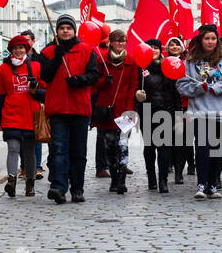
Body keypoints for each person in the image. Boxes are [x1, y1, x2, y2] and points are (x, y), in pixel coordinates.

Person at [38, 15, 101, 203]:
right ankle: (58, 187)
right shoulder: (48, 52)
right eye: (62, 28)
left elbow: (93, 76)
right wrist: (57, 58)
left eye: (69, 28)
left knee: (78, 151)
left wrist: (79, 80)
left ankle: (77, 188)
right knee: (58, 149)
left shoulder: (87, 50)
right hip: (57, 109)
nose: (65, 31)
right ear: (57, 31)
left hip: (79, 108)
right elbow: (46, 77)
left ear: (74, 31)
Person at [176, 24, 222, 199]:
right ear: (200, 40)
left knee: (217, 149)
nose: (210, 42)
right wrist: (199, 87)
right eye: (207, 38)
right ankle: (201, 184)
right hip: (199, 111)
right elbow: (181, 85)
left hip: (220, 111)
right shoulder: (190, 62)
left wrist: (216, 87)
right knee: (202, 147)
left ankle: (213, 185)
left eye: (213, 38)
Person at [0, 34, 43, 198]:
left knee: (29, 151)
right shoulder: (3, 69)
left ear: (26, 49)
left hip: (31, 114)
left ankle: (30, 183)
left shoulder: (36, 66)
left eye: (21, 48)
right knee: (13, 148)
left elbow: (45, 92)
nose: (19, 51)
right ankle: (11, 181)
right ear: (11, 51)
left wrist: (35, 90)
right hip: (11, 114)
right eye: (15, 48)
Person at [95, 29, 140, 194]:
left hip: (124, 110)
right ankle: (113, 177)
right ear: (111, 43)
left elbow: (133, 86)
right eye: (117, 41)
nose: (120, 44)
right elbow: (94, 85)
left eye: (123, 41)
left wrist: (129, 109)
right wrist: (102, 82)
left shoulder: (130, 61)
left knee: (122, 145)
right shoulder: (102, 61)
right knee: (109, 147)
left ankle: (121, 179)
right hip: (106, 110)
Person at [136, 38, 176, 193]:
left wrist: (176, 113)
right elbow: (133, 87)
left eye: (156, 48)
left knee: (164, 147)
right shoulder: (140, 68)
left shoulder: (168, 67)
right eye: (150, 48)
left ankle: (163, 180)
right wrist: (137, 95)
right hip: (146, 110)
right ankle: (151, 177)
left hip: (165, 110)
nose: (153, 50)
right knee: (150, 147)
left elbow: (175, 92)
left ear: (161, 50)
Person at [164, 35, 193, 184]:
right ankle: (173, 166)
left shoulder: (188, 64)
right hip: (169, 107)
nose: (174, 47)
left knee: (183, 141)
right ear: (167, 48)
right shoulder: (163, 64)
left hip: (185, 106)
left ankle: (180, 172)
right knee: (172, 141)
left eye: (177, 45)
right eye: (171, 45)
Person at [20, 28, 45, 179]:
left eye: (27, 40)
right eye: (22, 40)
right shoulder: (14, 59)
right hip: (21, 103)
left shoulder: (39, 58)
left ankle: (36, 166)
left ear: (33, 41)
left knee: (38, 135)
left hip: (36, 101)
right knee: (22, 137)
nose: (25, 43)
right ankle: (24, 166)